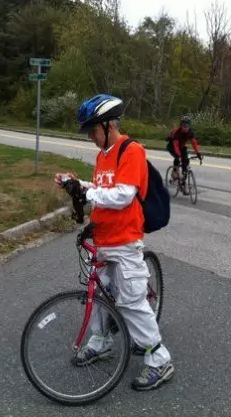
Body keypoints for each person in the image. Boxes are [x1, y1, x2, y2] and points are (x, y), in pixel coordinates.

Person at [54, 94, 174, 391]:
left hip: (124, 240)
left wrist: (88, 195)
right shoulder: (102, 156)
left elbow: (123, 195)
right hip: (103, 237)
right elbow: (101, 187)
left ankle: (159, 360)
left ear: (108, 125)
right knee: (97, 292)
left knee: (131, 301)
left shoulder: (131, 151)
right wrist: (78, 184)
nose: (91, 137)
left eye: (93, 130)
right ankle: (101, 341)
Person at [166, 115, 202, 192]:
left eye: (187, 126)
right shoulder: (177, 132)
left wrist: (198, 153)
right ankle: (174, 173)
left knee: (185, 162)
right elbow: (175, 145)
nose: (186, 128)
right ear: (181, 126)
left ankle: (182, 183)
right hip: (172, 146)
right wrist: (178, 155)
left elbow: (194, 143)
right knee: (177, 158)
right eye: (184, 126)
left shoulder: (190, 132)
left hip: (182, 147)